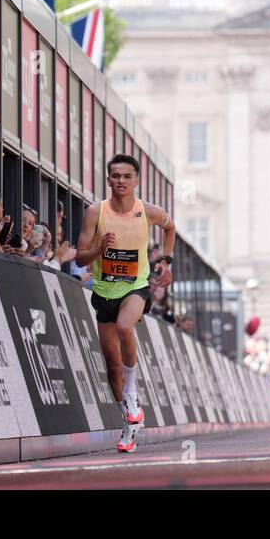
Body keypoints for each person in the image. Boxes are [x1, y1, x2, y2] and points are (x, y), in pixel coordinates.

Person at [76, 153, 175, 453]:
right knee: (111, 367)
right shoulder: (96, 212)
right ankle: (129, 424)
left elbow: (170, 228)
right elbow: (80, 257)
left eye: (127, 176)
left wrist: (166, 261)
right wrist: (98, 249)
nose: (121, 181)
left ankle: (132, 393)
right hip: (105, 289)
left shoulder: (147, 212)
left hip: (136, 286)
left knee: (124, 327)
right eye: (115, 176)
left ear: (136, 180)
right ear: (108, 179)